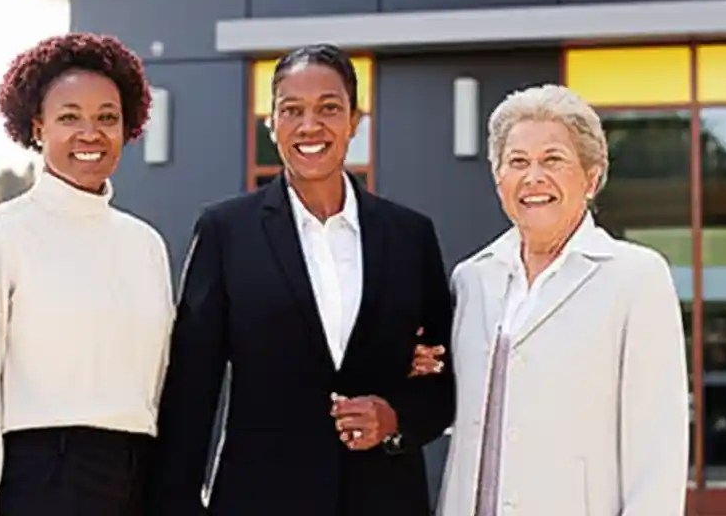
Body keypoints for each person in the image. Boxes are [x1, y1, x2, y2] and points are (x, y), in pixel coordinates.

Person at [148, 44, 455, 516]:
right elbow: (192, 389)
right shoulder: (227, 232)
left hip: (384, 500)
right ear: (272, 122)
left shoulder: (410, 236)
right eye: (292, 110)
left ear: (355, 120)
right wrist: (178, 504)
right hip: (258, 500)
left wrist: (395, 418)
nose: (310, 126)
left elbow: (443, 381)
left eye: (329, 109)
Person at [413, 83, 689, 516]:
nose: (533, 177)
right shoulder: (471, 279)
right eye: (517, 161)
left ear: (592, 176)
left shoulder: (636, 278)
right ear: (498, 178)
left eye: (553, 160)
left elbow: (658, 451)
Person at [0, 32, 175, 516]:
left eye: (107, 118)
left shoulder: (146, 245)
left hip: (138, 480)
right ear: (37, 126)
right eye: (69, 117)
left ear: (128, 127)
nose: (90, 133)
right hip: (41, 486)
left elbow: (158, 390)